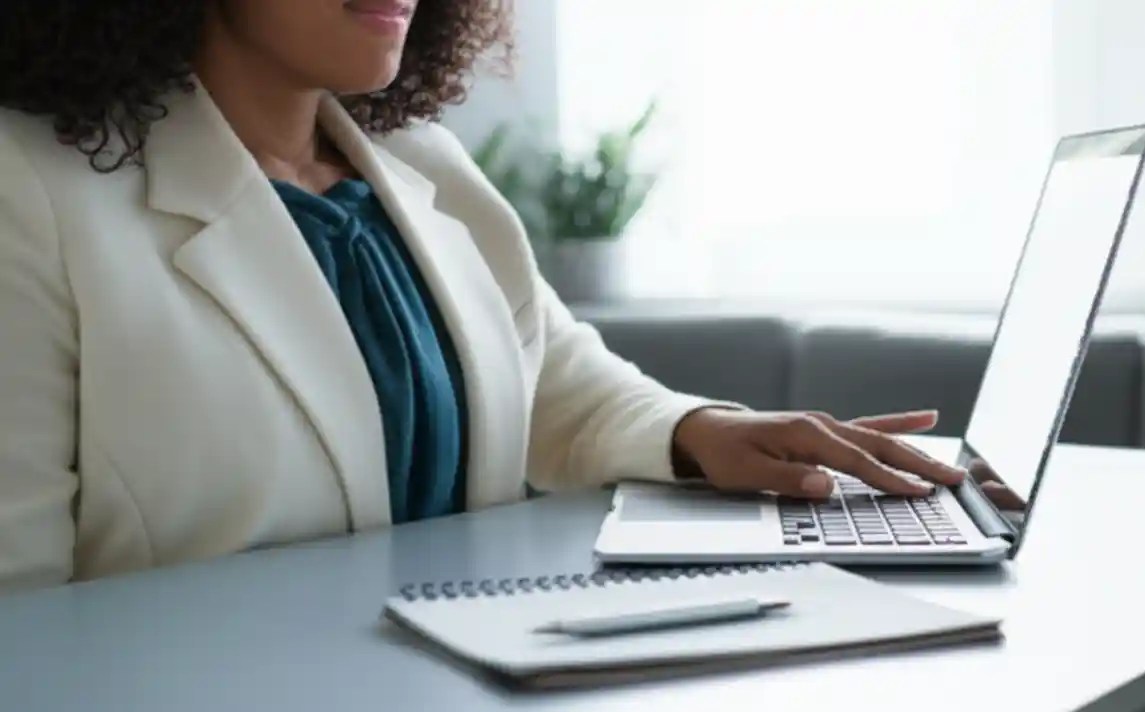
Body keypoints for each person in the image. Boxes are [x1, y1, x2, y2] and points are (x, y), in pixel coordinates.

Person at [0, 0, 965, 592]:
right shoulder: (29, 188)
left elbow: (559, 383)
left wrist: (701, 430)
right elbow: (17, 601)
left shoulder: (422, 163)